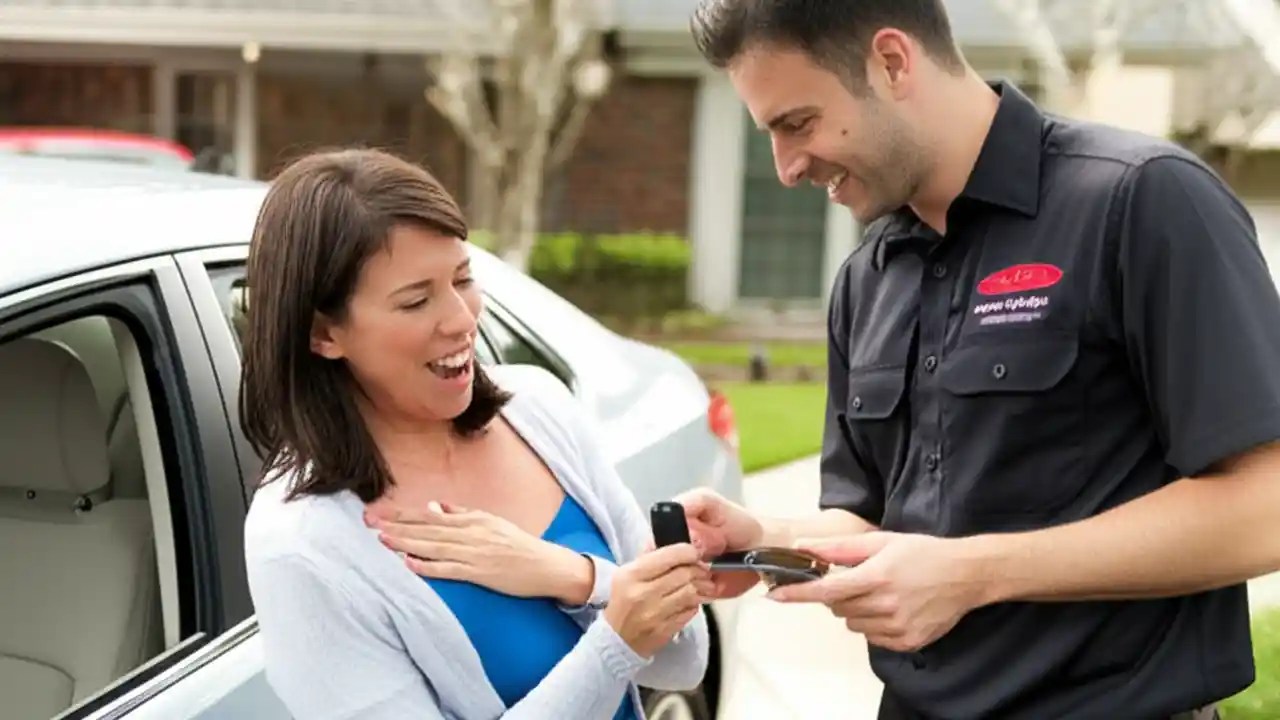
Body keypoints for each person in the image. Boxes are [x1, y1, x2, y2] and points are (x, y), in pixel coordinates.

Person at [679, 2, 1280, 719]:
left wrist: (973, 575)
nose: (785, 168)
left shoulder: (1141, 200)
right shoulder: (867, 275)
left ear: (894, 61)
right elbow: (879, 522)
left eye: (797, 123)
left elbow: (1264, 506)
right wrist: (764, 541)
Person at [239, 148, 711, 720]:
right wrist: (612, 646)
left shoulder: (538, 410)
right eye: (416, 300)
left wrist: (567, 574)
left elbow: (684, 660)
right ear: (323, 334)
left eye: (463, 278)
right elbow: (634, 638)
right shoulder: (301, 543)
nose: (463, 319)